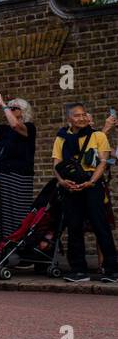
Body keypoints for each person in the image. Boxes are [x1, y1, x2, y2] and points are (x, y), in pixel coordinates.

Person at [53, 102, 117, 284]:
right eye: (76, 115)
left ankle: (112, 268)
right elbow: (57, 163)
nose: (81, 118)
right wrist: (62, 181)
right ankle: (79, 270)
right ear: (68, 119)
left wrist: (91, 182)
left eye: (83, 115)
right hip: (70, 186)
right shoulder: (61, 138)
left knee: (100, 226)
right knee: (74, 227)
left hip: (92, 185)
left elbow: (103, 162)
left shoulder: (98, 135)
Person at [0, 95, 36, 243]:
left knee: (18, 214)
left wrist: (4, 105)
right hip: (3, 176)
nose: (10, 110)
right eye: (9, 108)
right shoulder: (5, 130)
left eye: (14, 108)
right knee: (2, 215)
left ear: (23, 111)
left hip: (19, 177)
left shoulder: (29, 127)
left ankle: (22, 247)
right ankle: (6, 248)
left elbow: (16, 126)